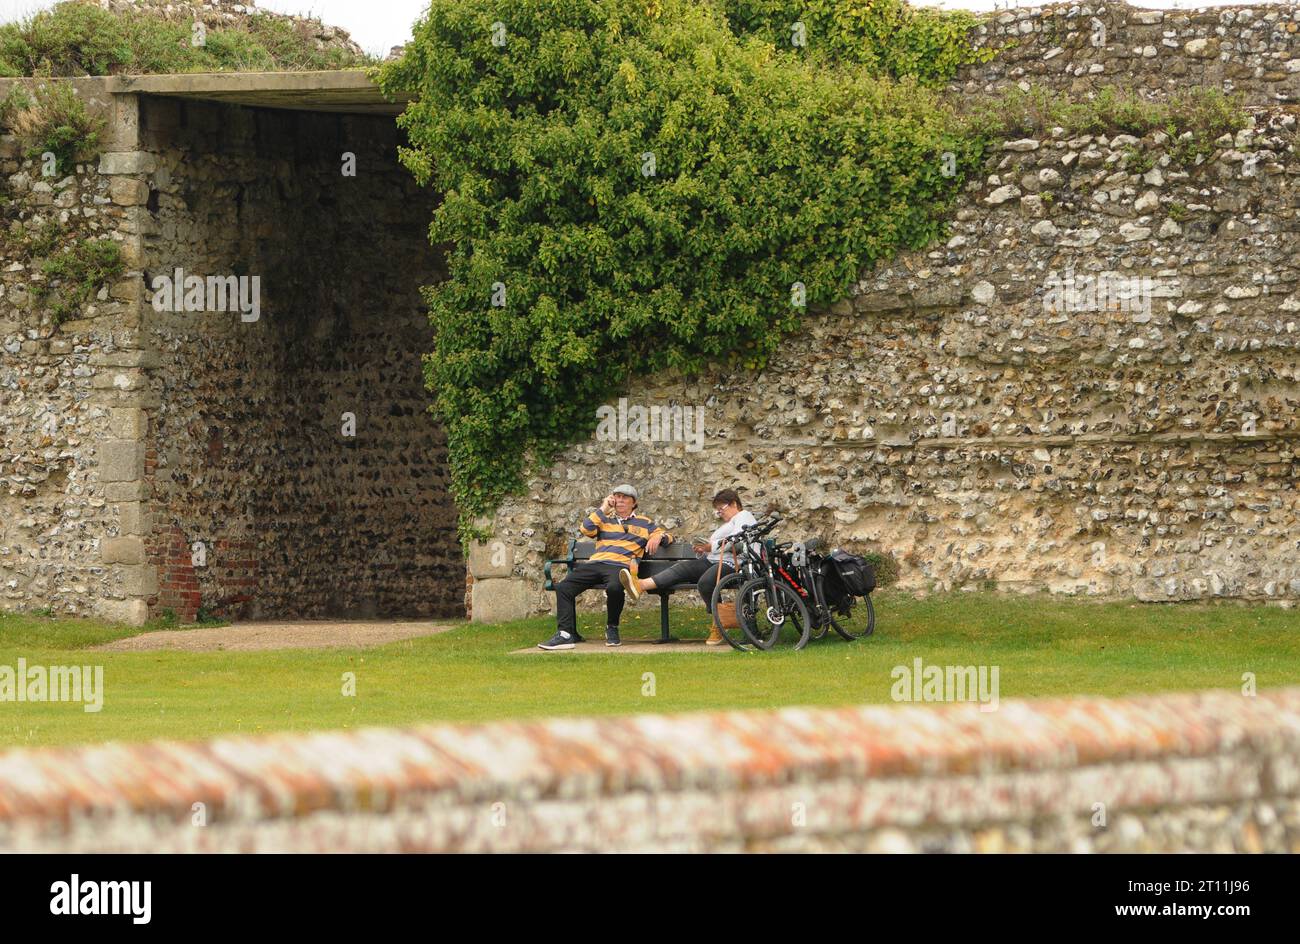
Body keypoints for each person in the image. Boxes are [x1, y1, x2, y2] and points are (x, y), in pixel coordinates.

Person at [538, 484, 671, 650]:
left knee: (615, 587)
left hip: (620, 565)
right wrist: (603, 508)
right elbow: (585, 529)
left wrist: (658, 536)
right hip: (596, 563)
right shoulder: (603, 519)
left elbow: (669, 538)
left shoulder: (644, 523)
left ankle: (612, 628)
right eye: (617, 496)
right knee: (564, 587)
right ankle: (565, 634)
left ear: (634, 502)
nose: (620, 500)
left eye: (625, 497)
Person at [619, 488, 755, 645]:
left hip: (732, 563)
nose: (719, 513)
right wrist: (702, 549)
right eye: (717, 511)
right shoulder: (730, 522)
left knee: (705, 582)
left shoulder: (743, 516)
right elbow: (718, 547)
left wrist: (711, 546)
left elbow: (738, 541)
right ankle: (641, 585)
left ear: (734, 504)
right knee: (682, 568)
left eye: (721, 509)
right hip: (713, 560)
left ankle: (718, 623)